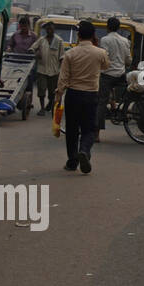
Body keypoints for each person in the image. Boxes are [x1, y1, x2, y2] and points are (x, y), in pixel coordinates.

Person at [55, 19, 109, 174]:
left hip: (73, 94)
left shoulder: (70, 54)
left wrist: (58, 96)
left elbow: (63, 78)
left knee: (72, 130)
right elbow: (106, 66)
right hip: (91, 95)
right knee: (89, 129)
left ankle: (72, 162)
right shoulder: (100, 53)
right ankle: (84, 150)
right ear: (93, 36)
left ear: (78, 35)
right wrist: (96, 46)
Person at [96, 17, 132, 141]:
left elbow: (104, 58)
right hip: (121, 75)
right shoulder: (124, 41)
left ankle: (96, 134)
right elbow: (128, 60)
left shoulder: (105, 40)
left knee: (100, 102)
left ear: (107, 27)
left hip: (107, 75)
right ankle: (114, 107)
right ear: (118, 28)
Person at [32, 20, 65, 115]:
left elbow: (62, 56)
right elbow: (32, 48)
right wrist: (36, 53)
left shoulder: (59, 41)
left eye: (51, 28)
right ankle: (42, 108)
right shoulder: (41, 40)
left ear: (54, 29)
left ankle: (51, 103)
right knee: (41, 91)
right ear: (45, 29)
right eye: (47, 28)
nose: (49, 30)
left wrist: (62, 71)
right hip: (42, 69)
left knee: (52, 92)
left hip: (54, 71)